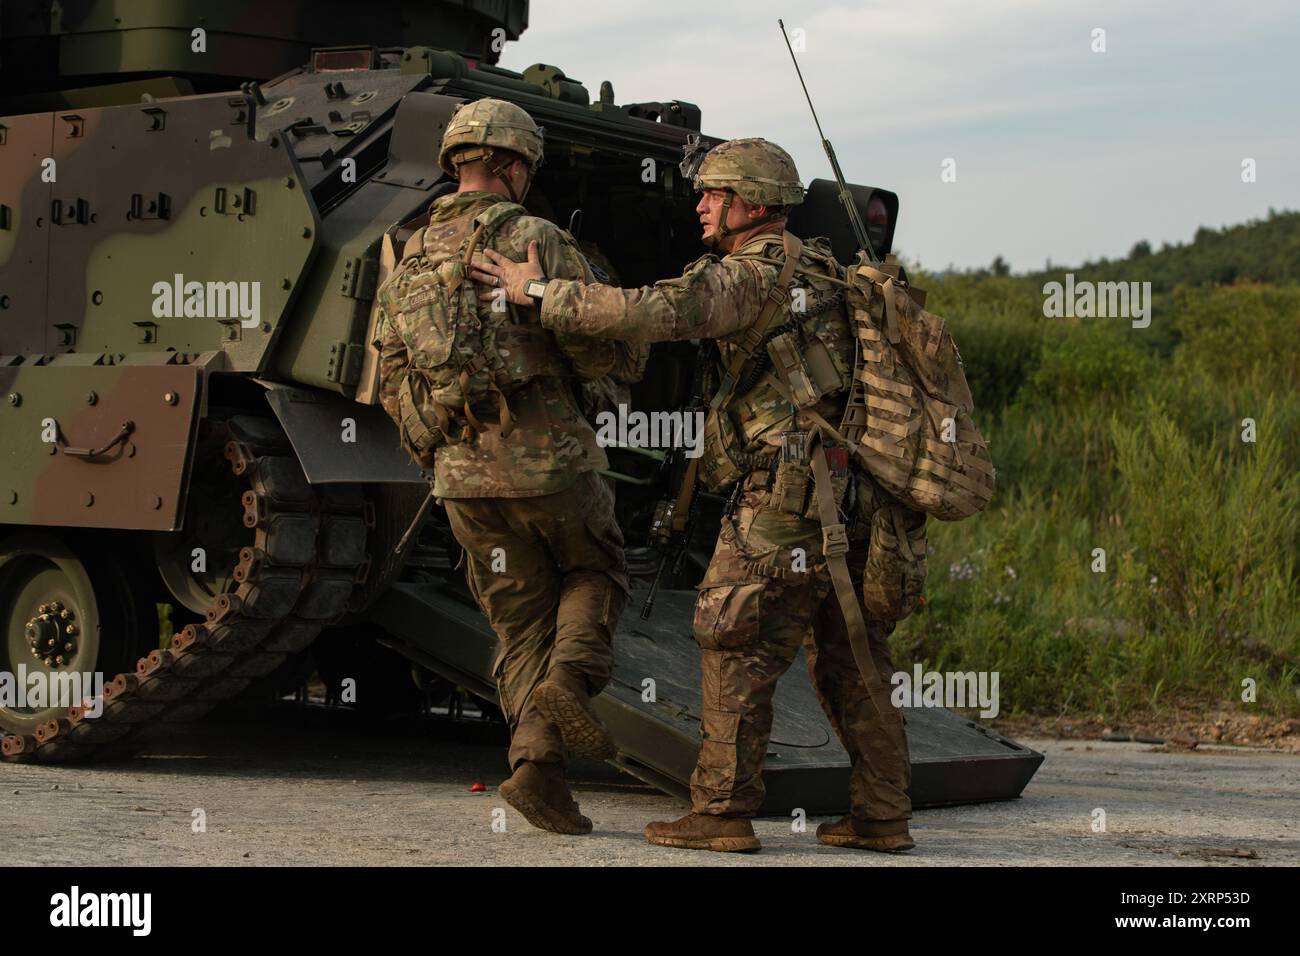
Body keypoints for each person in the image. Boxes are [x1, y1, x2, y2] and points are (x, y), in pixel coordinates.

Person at [471, 137, 914, 854]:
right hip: (860, 495)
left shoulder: (750, 275)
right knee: (852, 654)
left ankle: (721, 811)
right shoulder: (829, 268)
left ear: (751, 204)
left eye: (713, 194)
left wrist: (540, 291)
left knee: (731, 639)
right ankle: (883, 815)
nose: (700, 205)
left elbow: (647, 312)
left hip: (788, 491)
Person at [375, 98, 629, 835]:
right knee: (594, 575)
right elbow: (595, 345)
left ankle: (537, 772)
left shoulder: (412, 251)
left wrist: (436, 443)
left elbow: (389, 372)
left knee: (519, 628)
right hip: (550, 460)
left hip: (461, 477)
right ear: (514, 167)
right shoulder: (537, 238)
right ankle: (565, 688)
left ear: (458, 163)